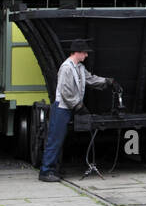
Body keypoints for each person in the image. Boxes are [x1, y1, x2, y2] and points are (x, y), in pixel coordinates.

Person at [39, 38, 114, 182]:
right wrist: (78, 106)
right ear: (77, 53)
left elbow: (90, 79)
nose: (86, 55)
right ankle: (45, 171)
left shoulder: (79, 67)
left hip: (68, 108)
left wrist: (107, 81)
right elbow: (65, 91)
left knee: (59, 140)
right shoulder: (66, 68)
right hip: (62, 108)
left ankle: (53, 169)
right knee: (55, 140)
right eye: (85, 53)